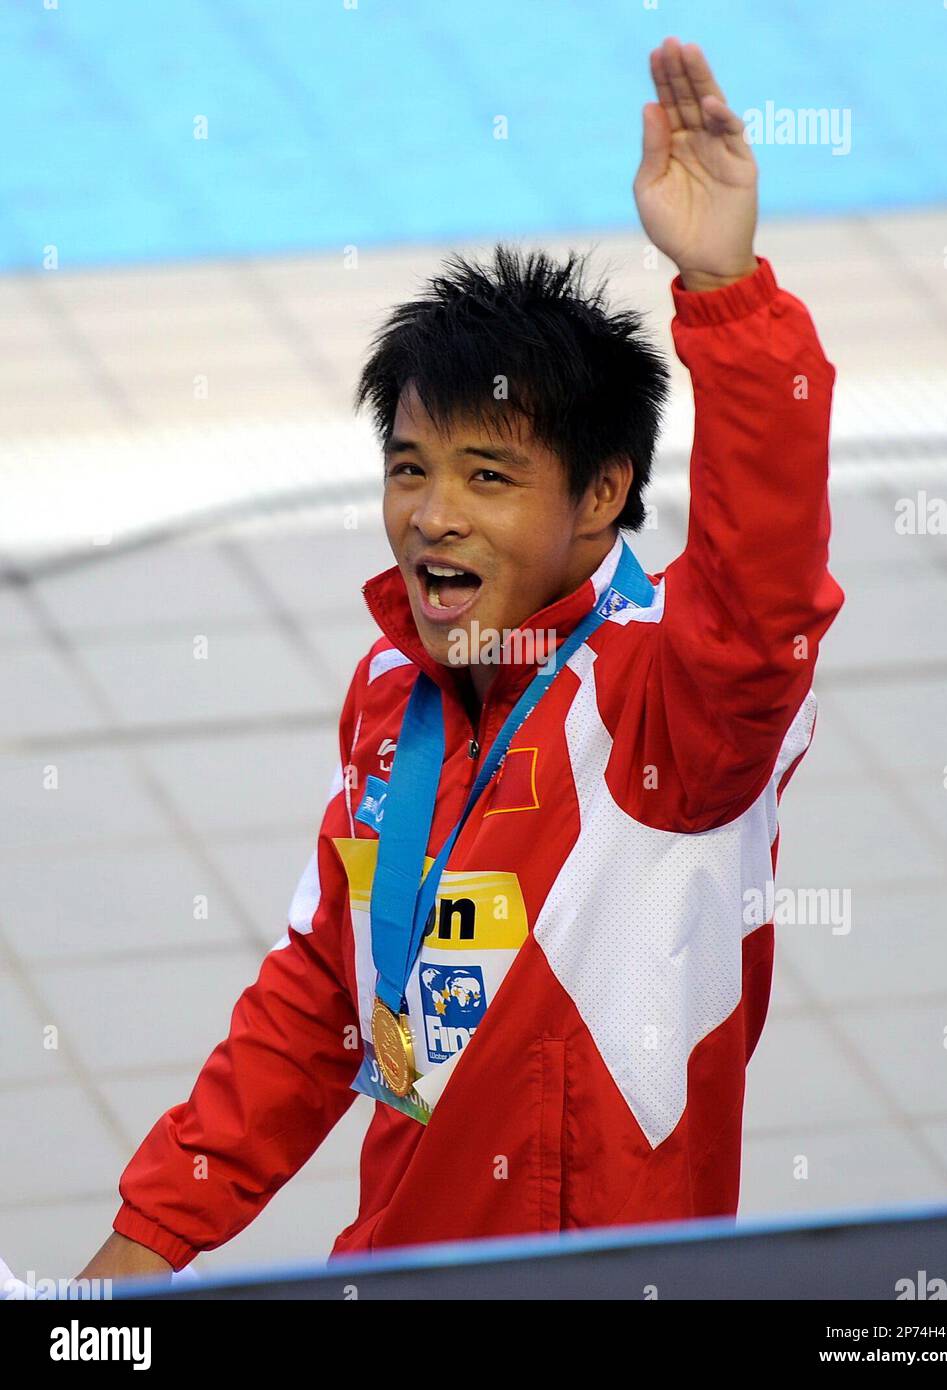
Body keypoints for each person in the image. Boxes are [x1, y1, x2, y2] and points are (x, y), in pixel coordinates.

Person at [79, 37, 843, 1280]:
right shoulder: (391, 702)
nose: (432, 513)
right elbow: (322, 1001)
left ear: (602, 495)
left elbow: (762, 604)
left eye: (487, 477)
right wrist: (133, 1254)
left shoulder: (665, 713)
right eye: (409, 468)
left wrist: (730, 299)